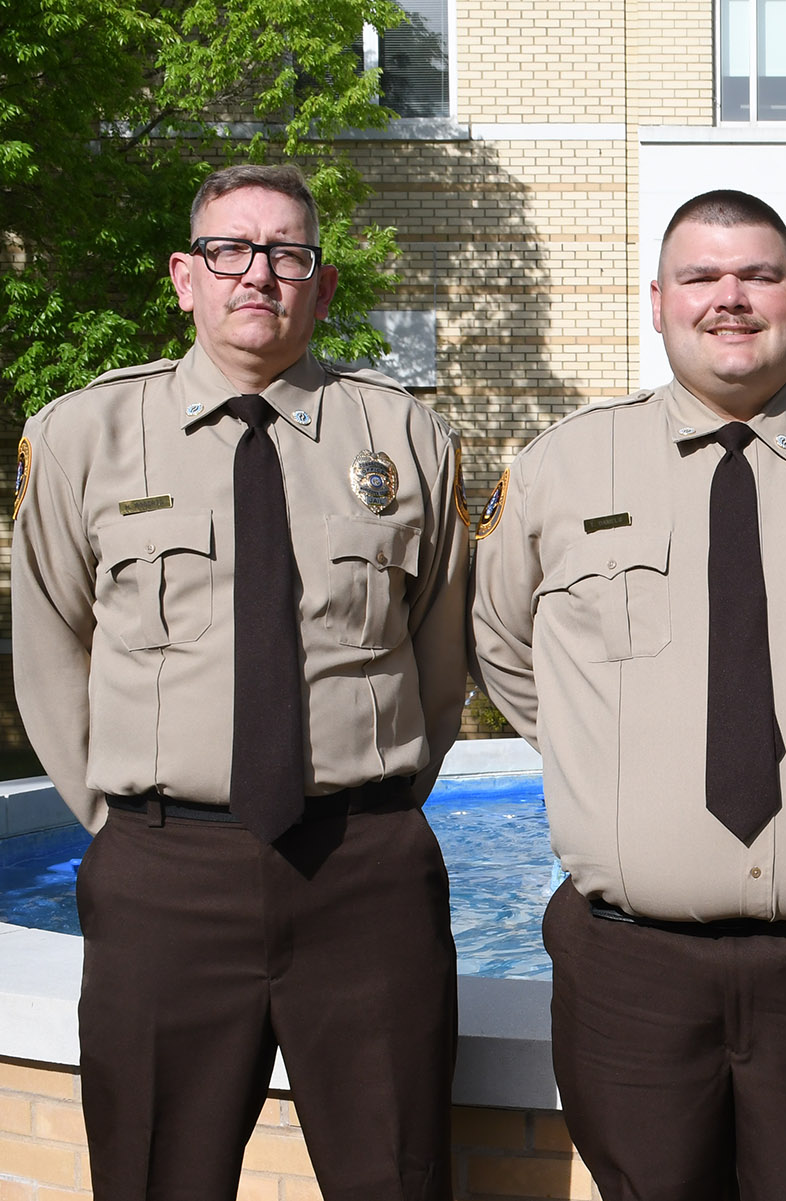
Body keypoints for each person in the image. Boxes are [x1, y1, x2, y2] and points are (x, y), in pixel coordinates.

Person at [468, 188, 786, 1201]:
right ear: (657, 302)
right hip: (633, 973)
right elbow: (505, 649)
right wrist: (617, 757)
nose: (730, 298)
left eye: (758, 274)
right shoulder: (561, 470)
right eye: (702, 277)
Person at [10, 164, 467, 1198]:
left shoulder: (403, 436)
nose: (257, 274)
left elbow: (441, 653)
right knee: (154, 1176)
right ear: (185, 276)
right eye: (230, 250)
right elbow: (48, 648)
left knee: (397, 1175)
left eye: (286, 253)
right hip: (167, 876)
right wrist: (134, 821)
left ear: (323, 283)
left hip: (365, 872)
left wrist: (380, 803)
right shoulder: (86, 435)